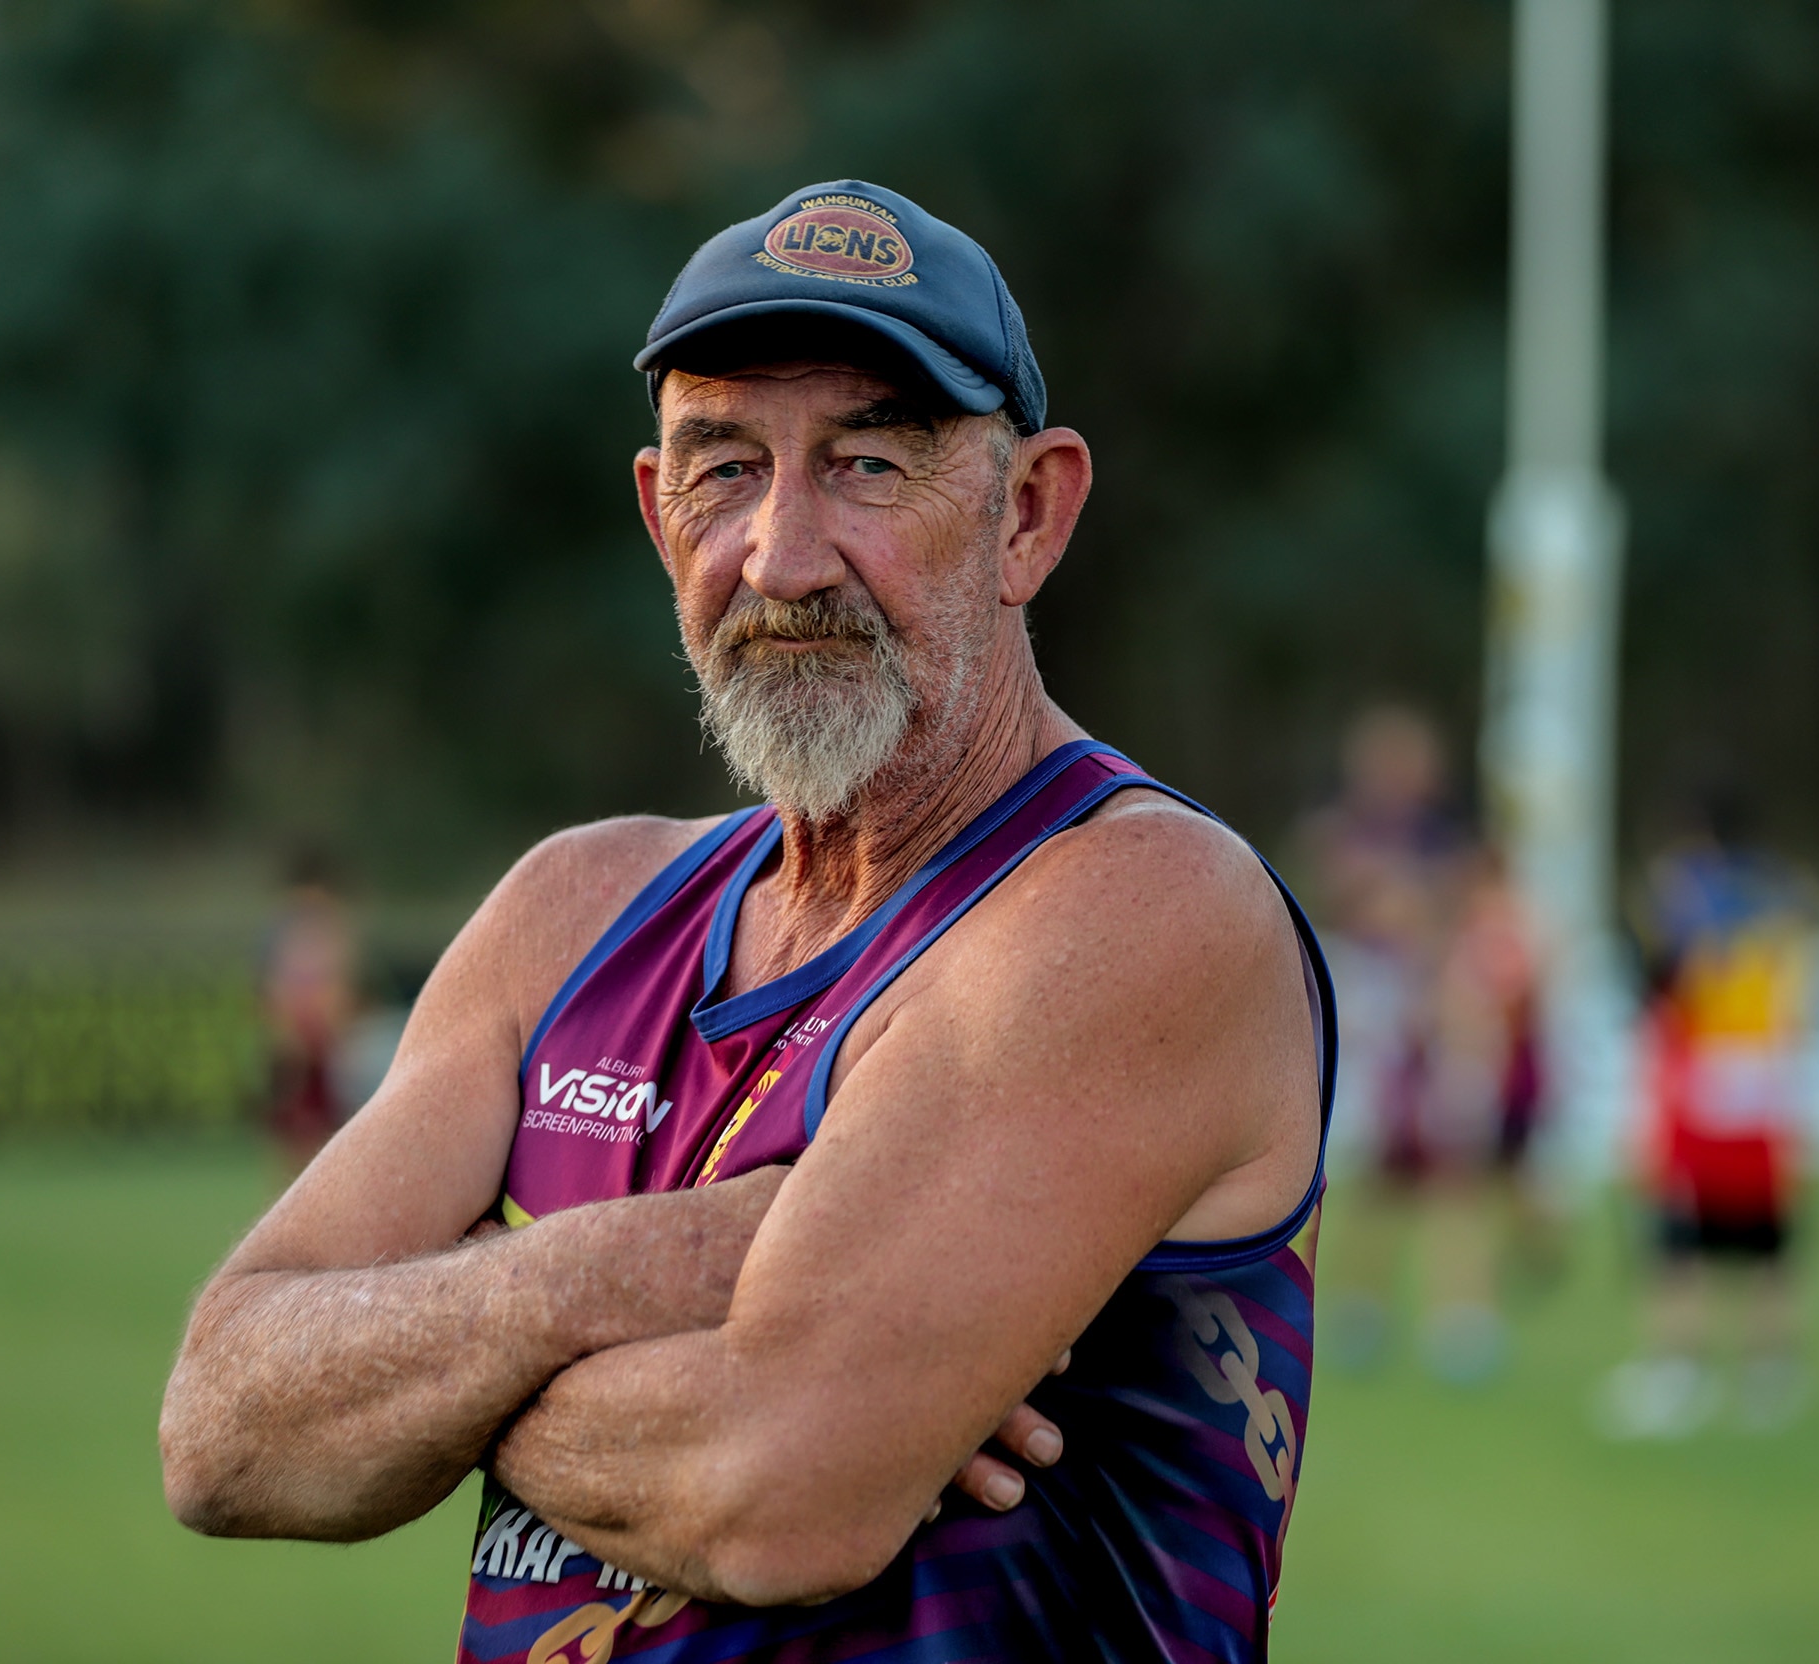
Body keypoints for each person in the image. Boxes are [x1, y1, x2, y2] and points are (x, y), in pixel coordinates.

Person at [159, 180, 1332, 1664]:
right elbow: (221, 1423)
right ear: (658, 512)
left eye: (868, 463)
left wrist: (430, 1378)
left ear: (1028, 513)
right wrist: (625, 1273)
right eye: (726, 467)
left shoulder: (1142, 907)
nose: (782, 557)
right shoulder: (573, 909)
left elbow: (771, 1493)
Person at [1305, 708, 1544, 1383]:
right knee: (1383, 1183)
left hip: (1437, 1018)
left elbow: (1453, 906)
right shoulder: (1349, 833)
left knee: (1455, 1179)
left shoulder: (1439, 840)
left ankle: (1459, 1320)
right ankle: (1358, 1310)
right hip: (1383, 1021)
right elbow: (1353, 899)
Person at [1601, 789, 1809, 1437]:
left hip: (1699, 1085)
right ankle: (1771, 1371)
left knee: (1678, 1233)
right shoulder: (1780, 896)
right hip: (1764, 1087)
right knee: (1766, 1237)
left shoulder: (1684, 899)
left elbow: (1658, 985)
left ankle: (1679, 1370)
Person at [257, 845, 358, 1177]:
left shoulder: (333, 930)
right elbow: (272, 992)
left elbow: (344, 991)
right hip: (297, 1052)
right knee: (292, 1143)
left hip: (325, 1053)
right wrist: (288, 1037)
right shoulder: (284, 932)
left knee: (330, 1145)